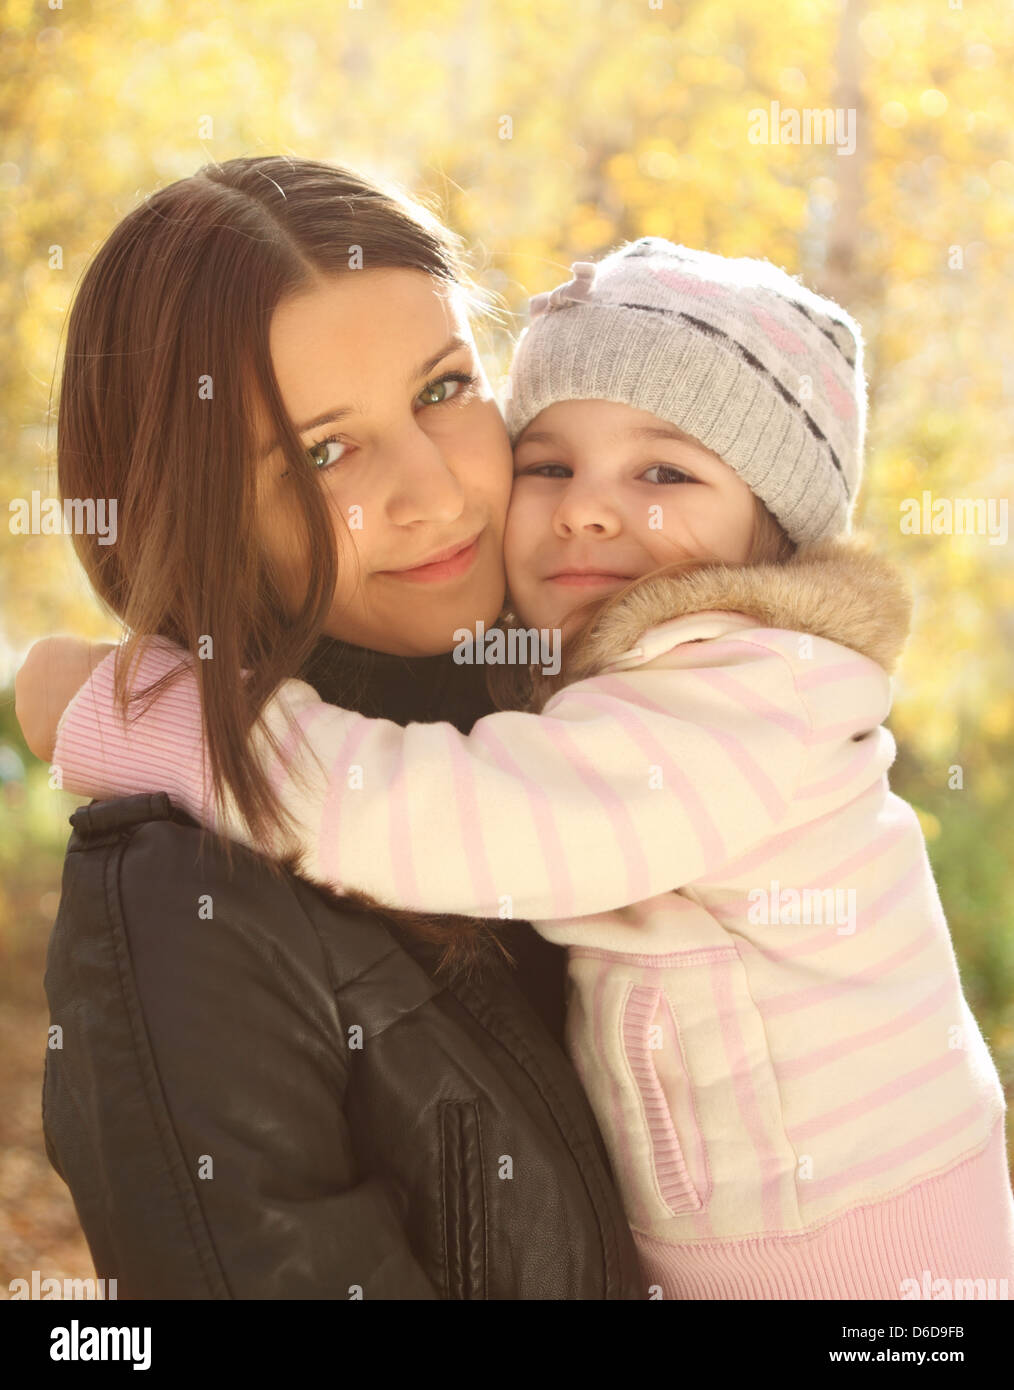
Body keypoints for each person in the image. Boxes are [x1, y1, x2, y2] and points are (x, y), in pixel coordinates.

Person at [24, 237, 1014, 1300]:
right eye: (551, 462)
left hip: (867, 1271)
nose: (587, 507)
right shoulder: (183, 900)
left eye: (665, 471)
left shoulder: (742, 693)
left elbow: (420, 815)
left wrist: (144, 710)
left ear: (770, 534)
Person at [15, 154, 651, 1299]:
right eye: (322, 451)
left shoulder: (617, 718)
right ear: (193, 509)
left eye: (443, 388)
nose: (438, 492)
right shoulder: (183, 902)